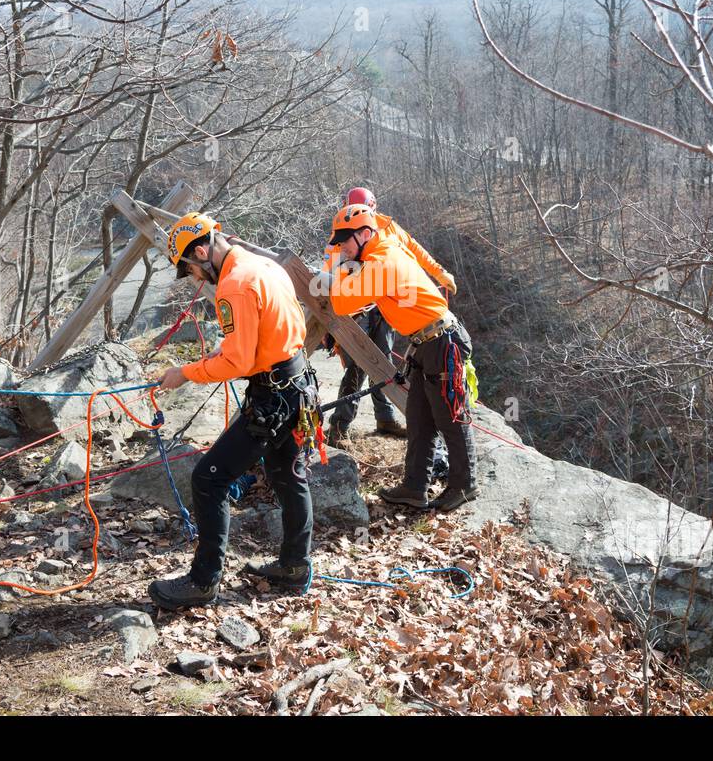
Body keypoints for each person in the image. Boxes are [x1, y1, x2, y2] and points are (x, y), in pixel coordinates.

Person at [149, 211, 319, 609]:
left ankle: (203, 581)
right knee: (288, 475)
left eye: (191, 268)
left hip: (272, 397)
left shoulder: (233, 286)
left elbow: (238, 363)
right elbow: (264, 333)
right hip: (297, 385)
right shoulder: (262, 265)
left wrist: (185, 373)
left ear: (203, 251)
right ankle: (295, 566)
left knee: (209, 479)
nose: (194, 278)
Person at [320, 203, 478, 512]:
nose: (340, 247)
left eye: (345, 240)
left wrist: (337, 268)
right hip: (427, 342)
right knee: (419, 418)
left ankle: (464, 484)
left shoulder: (382, 261)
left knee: (450, 416)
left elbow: (340, 301)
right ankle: (415, 486)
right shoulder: (382, 250)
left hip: (442, 343)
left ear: (365, 234)